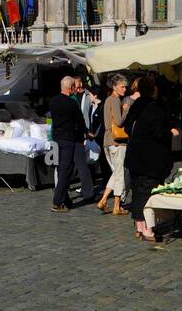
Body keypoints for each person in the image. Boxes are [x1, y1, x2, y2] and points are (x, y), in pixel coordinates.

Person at [123, 74, 178, 242]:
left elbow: (126, 127)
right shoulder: (155, 108)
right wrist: (171, 133)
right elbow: (158, 132)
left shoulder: (137, 105)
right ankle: (148, 229)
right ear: (154, 90)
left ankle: (139, 226)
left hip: (134, 156)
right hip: (150, 159)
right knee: (147, 192)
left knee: (138, 192)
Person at [50, 75, 95, 212]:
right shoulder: (71, 103)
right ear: (71, 88)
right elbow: (80, 122)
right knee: (66, 170)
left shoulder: (54, 101)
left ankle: (64, 200)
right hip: (69, 138)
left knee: (62, 169)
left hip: (58, 138)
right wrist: (87, 133)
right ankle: (58, 201)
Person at [96, 73, 132, 216]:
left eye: (125, 87)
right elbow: (118, 122)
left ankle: (103, 199)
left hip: (108, 141)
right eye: (122, 87)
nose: (125, 89)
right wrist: (126, 109)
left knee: (116, 172)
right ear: (115, 87)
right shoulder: (115, 100)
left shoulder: (107, 100)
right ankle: (117, 205)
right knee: (120, 174)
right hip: (117, 141)